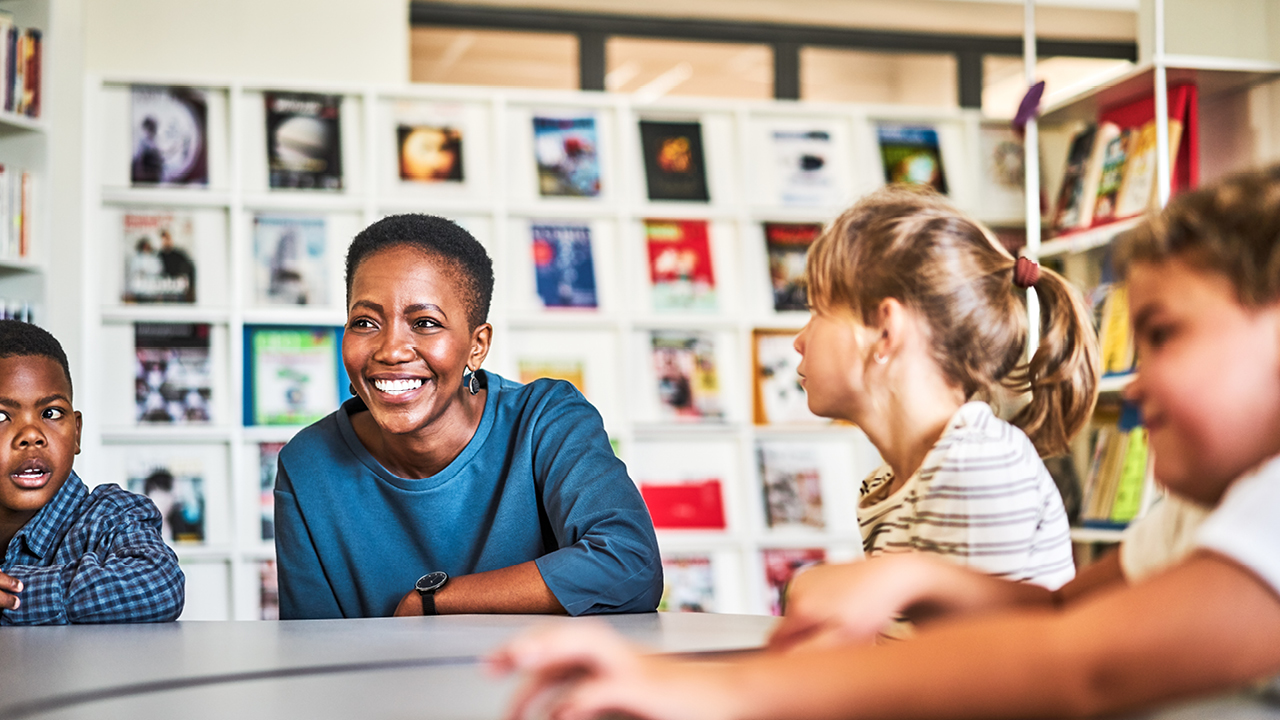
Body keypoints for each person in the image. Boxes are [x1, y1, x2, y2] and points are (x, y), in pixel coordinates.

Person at [491, 167, 1280, 720]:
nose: (1135, 385)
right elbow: (1060, 612)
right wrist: (906, 579)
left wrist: (710, 697)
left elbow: (1079, 663)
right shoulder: (1197, 515)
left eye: (1166, 334)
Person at [274, 214, 662, 619]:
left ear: (477, 346)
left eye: (425, 323)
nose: (390, 350)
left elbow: (630, 564)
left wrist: (434, 601)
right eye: (365, 322)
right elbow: (311, 648)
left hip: (535, 681)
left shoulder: (545, 420)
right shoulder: (308, 465)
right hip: (381, 682)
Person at [800, 187, 1096, 590]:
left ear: (885, 332)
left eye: (817, 311)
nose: (800, 340)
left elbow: (967, 652)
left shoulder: (974, 466)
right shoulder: (892, 482)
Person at [0, 320, 185, 624]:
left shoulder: (112, 515)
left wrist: (14, 596)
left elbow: (160, 583)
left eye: (51, 413)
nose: (31, 435)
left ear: (76, 433)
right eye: (2, 416)